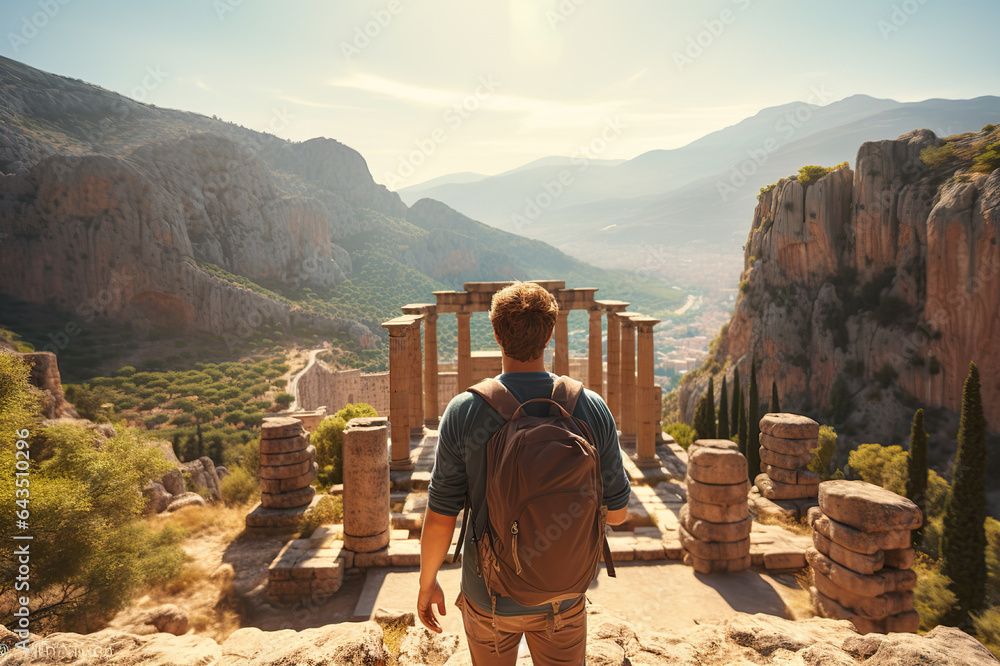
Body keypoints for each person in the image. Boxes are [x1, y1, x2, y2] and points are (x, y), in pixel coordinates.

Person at [417, 281, 631, 664]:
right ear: (550, 335)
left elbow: (441, 517)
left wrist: (427, 582)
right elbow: (617, 513)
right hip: (564, 594)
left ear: (496, 334)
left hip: (489, 597)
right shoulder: (591, 407)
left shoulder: (464, 411)